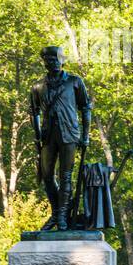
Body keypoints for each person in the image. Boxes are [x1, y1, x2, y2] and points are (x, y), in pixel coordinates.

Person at [29, 46, 92, 230]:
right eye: (50, 60)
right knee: (47, 176)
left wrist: (86, 136)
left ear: (62, 61)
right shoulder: (38, 86)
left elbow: (86, 108)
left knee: (66, 176)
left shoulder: (74, 82)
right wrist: (38, 135)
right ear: (45, 63)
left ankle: (62, 216)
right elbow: (34, 112)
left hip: (69, 134)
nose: (54, 63)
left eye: (56, 60)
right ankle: (56, 212)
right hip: (48, 137)